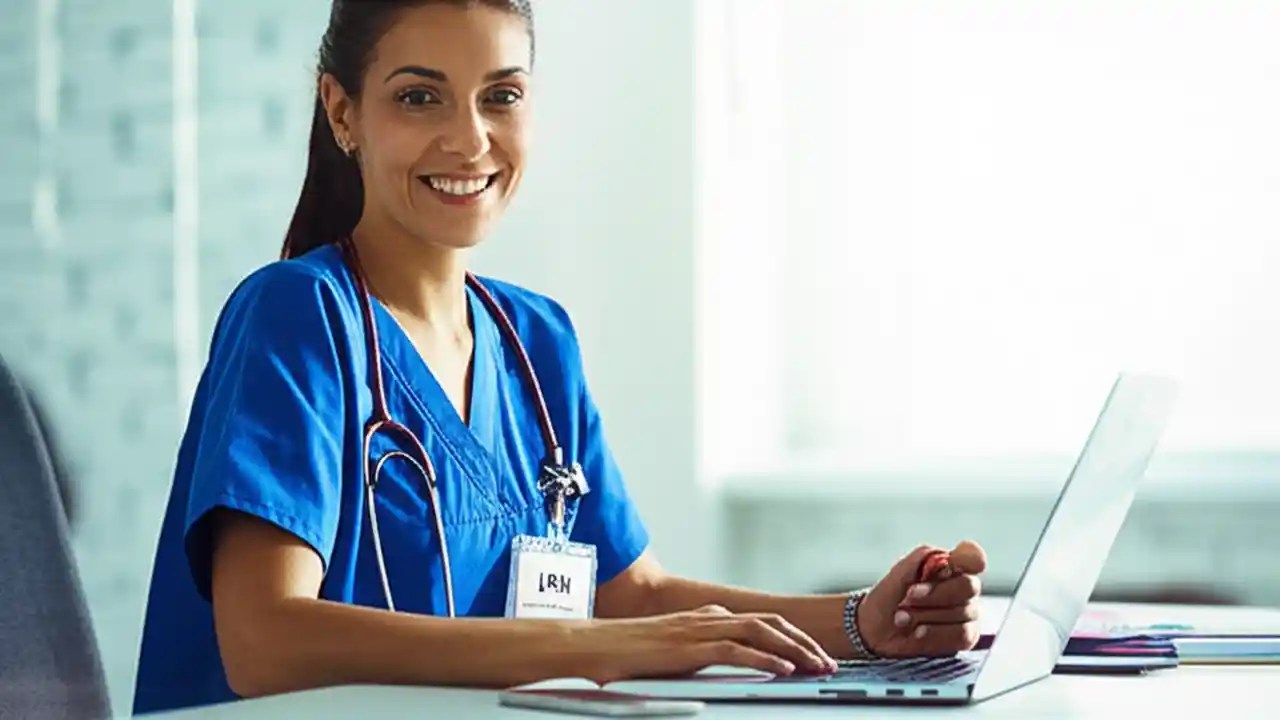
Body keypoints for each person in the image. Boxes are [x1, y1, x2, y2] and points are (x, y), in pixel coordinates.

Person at [132, 1, 987, 714]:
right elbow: (265, 641)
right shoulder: (298, 316)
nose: (470, 141)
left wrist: (863, 623)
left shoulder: (535, 341)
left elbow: (636, 598)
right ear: (342, 110)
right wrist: (597, 648)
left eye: (500, 96)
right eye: (420, 99)